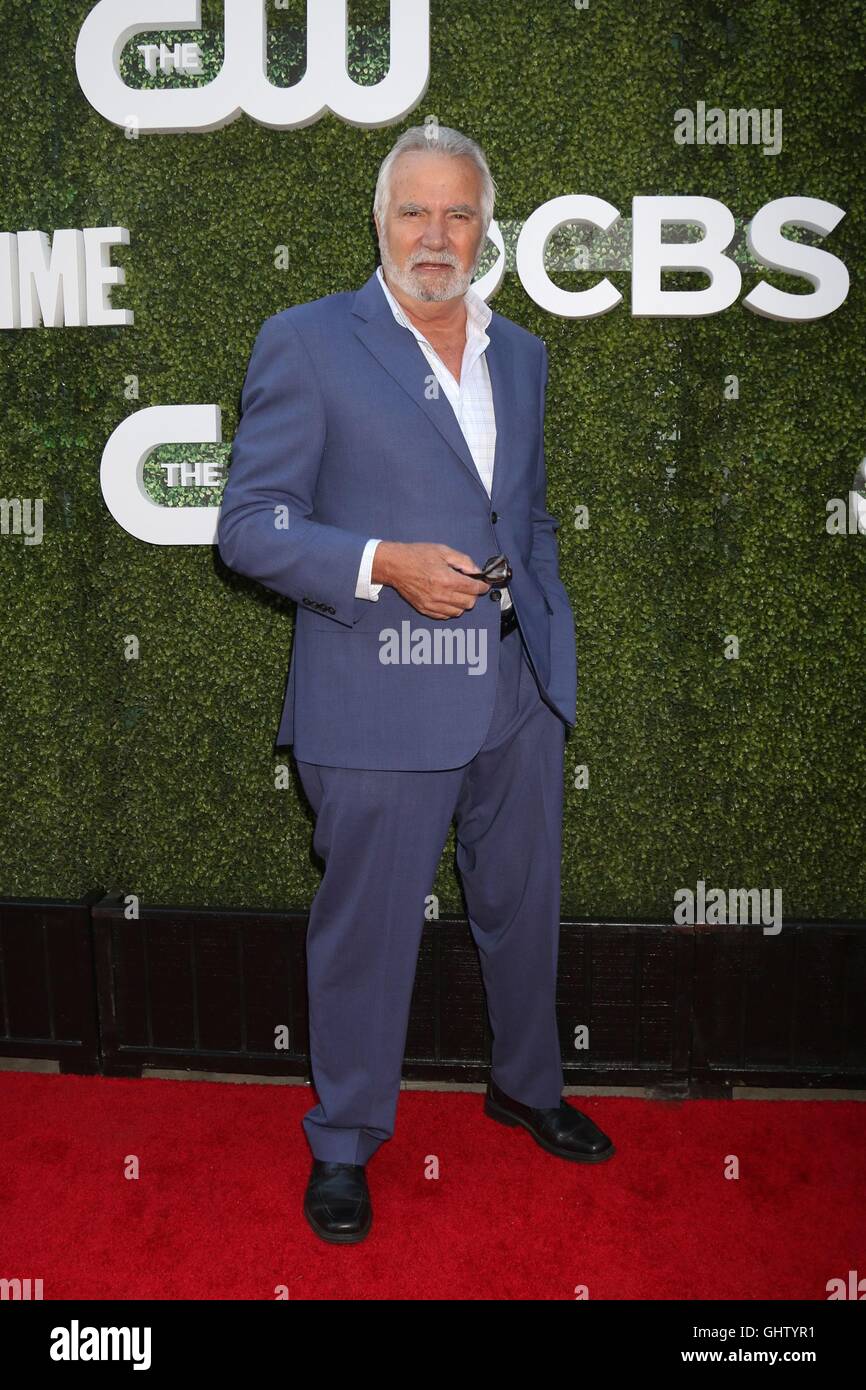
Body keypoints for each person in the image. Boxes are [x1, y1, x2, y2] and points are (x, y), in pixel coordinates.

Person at [217, 124, 614, 1245]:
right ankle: (344, 1140)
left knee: (521, 905)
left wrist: (545, 643)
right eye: (412, 212)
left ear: (485, 228)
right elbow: (249, 528)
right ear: (378, 222)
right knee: (367, 929)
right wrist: (379, 564)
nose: (434, 235)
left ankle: (525, 1083)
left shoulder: (522, 354)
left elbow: (520, 515)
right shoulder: (306, 341)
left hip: (512, 688)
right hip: (375, 690)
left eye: (456, 214)